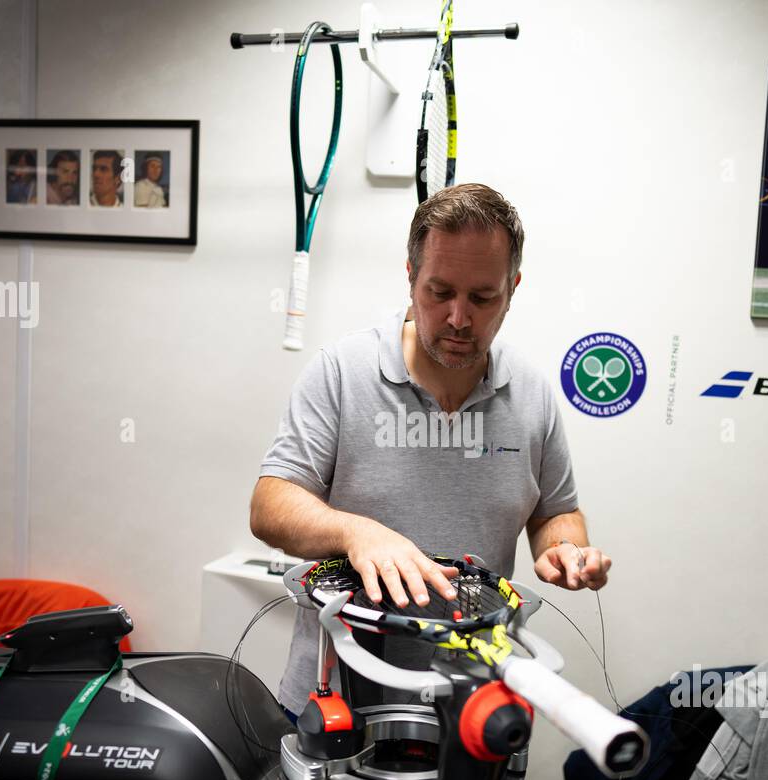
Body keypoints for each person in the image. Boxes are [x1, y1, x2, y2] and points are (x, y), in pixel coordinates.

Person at [250, 183, 612, 721]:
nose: (460, 318)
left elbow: (555, 511)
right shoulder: (341, 372)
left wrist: (566, 548)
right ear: (410, 277)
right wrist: (358, 532)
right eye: (440, 292)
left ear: (513, 288)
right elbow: (270, 506)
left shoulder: (532, 394)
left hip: (472, 709)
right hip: (336, 704)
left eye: (483, 298)